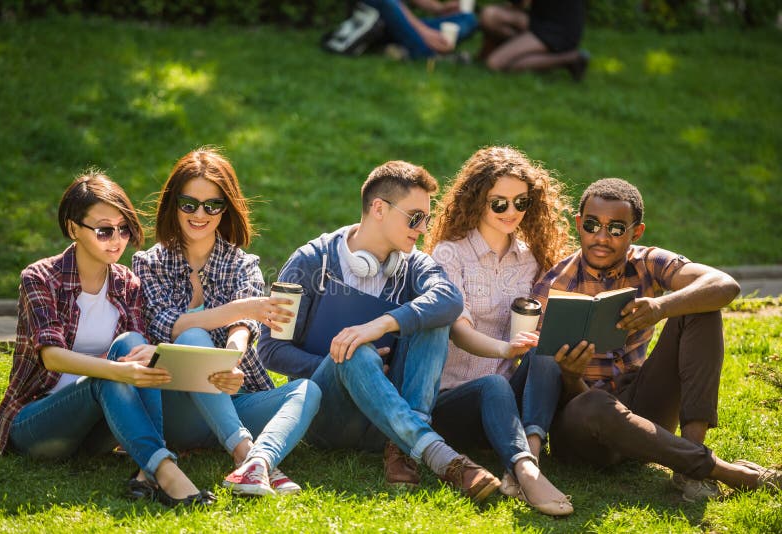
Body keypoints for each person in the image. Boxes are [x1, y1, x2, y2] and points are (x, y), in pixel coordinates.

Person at [258, 160, 501, 502]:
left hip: (387, 421)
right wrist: (350, 365)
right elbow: (269, 349)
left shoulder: (414, 263)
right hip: (329, 418)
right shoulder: (311, 261)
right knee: (356, 350)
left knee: (432, 315)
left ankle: (403, 448)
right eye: (415, 217)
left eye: (426, 219)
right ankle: (439, 456)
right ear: (378, 208)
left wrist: (381, 325)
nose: (422, 228)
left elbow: (449, 299)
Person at [531, 177, 782, 501]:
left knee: (701, 308)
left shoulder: (647, 262)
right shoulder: (554, 286)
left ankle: (689, 457)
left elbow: (725, 285)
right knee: (594, 402)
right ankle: (719, 469)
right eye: (592, 225)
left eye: (616, 228)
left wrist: (662, 306)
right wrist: (571, 375)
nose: (602, 237)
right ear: (579, 224)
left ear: (636, 232)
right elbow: (541, 385)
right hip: (584, 427)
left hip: (641, 402)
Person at [0, 172, 214, 507]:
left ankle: (146, 466)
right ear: (74, 228)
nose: (117, 240)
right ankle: (165, 474)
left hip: (95, 433)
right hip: (36, 426)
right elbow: (52, 357)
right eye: (104, 230)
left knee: (133, 345)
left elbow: (134, 359)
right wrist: (116, 372)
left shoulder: (127, 283)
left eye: (124, 229)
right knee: (105, 376)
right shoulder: (40, 278)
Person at [133, 148, 321, 497]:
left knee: (307, 389)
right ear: (174, 205)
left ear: (226, 208)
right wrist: (242, 307)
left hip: (233, 396)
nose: (199, 214)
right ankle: (244, 454)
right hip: (177, 410)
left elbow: (242, 331)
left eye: (212, 205)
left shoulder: (242, 263)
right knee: (191, 333)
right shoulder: (148, 263)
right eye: (189, 204)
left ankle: (258, 463)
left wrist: (231, 365)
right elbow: (169, 326)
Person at [425, 146, 574, 516]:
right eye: (500, 203)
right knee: (492, 384)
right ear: (477, 201)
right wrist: (504, 350)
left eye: (521, 203)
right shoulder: (449, 255)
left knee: (547, 350)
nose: (512, 213)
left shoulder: (531, 258)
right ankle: (524, 469)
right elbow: (457, 331)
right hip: (456, 399)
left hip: (511, 392)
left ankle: (528, 456)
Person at [478, 0, 589, 80]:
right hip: (539, 20)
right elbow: (519, 5)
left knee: (494, 64)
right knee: (490, 15)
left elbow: (521, 3)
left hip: (558, 30)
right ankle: (488, 54)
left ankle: (570, 59)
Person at [364, 0, 477, 59]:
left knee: (468, 19)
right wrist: (424, 32)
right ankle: (428, 55)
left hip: (407, 26)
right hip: (377, 27)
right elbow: (393, 5)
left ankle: (400, 49)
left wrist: (440, 9)